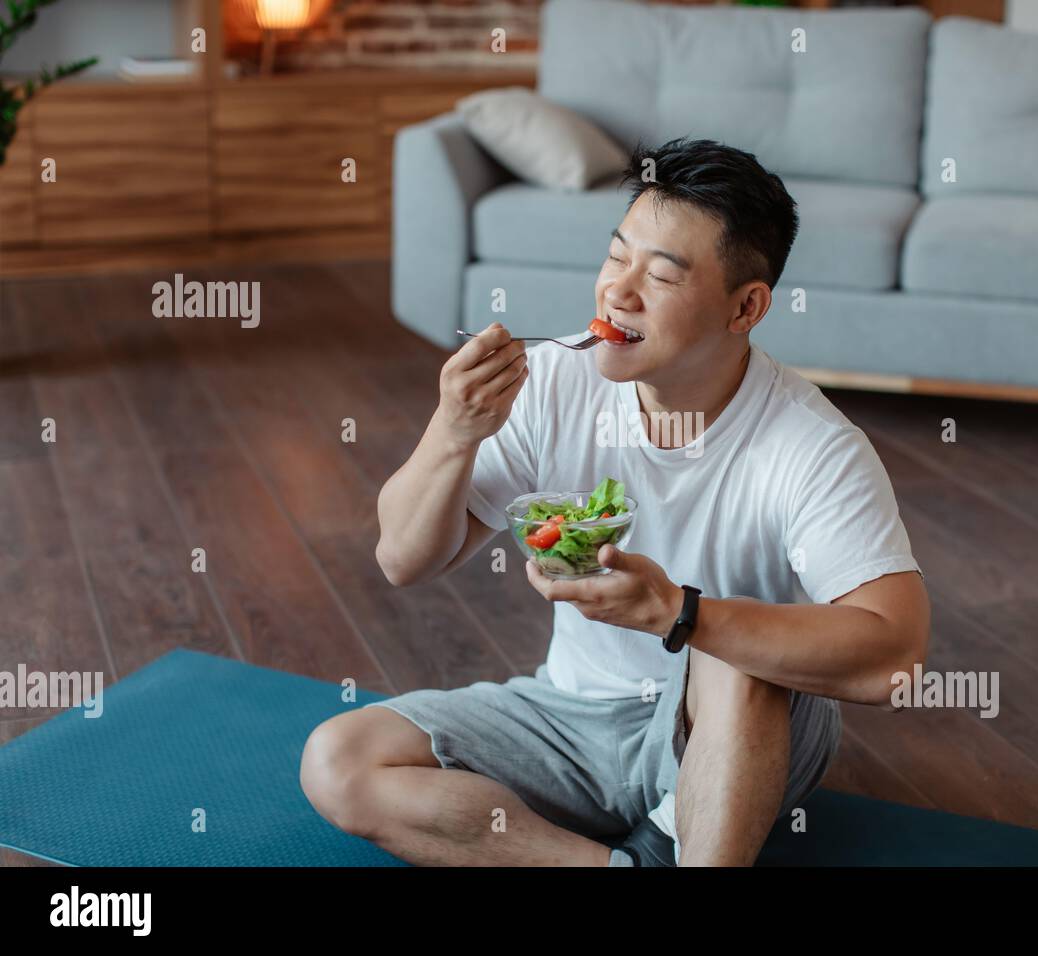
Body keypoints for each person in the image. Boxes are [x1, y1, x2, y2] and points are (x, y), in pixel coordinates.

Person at [300, 137, 930, 867]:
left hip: (736, 726)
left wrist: (678, 612)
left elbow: (898, 658)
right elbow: (403, 558)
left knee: (726, 653)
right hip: (570, 718)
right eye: (615, 256)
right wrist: (453, 431)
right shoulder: (550, 382)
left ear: (744, 307)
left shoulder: (810, 443)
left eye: (660, 276)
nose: (617, 292)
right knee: (339, 761)